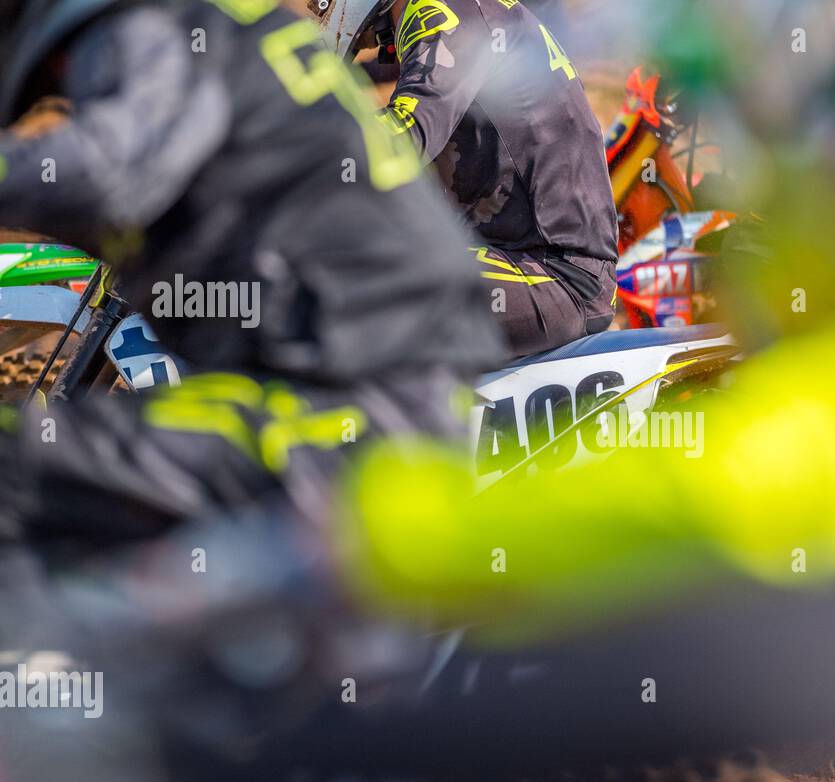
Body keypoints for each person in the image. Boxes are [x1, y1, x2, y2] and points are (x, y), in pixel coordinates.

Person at [0, 0, 505, 564]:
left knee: (19, 470)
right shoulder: (237, 34)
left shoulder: (152, 25)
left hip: (351, 401)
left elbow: (108, 173)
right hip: (381, 381)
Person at [314, 0, 619, 356]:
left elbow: (406, 136)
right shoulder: (473, 9)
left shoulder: (442, 12)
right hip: (533, 266)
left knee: (332, 280)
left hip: (553, 278)